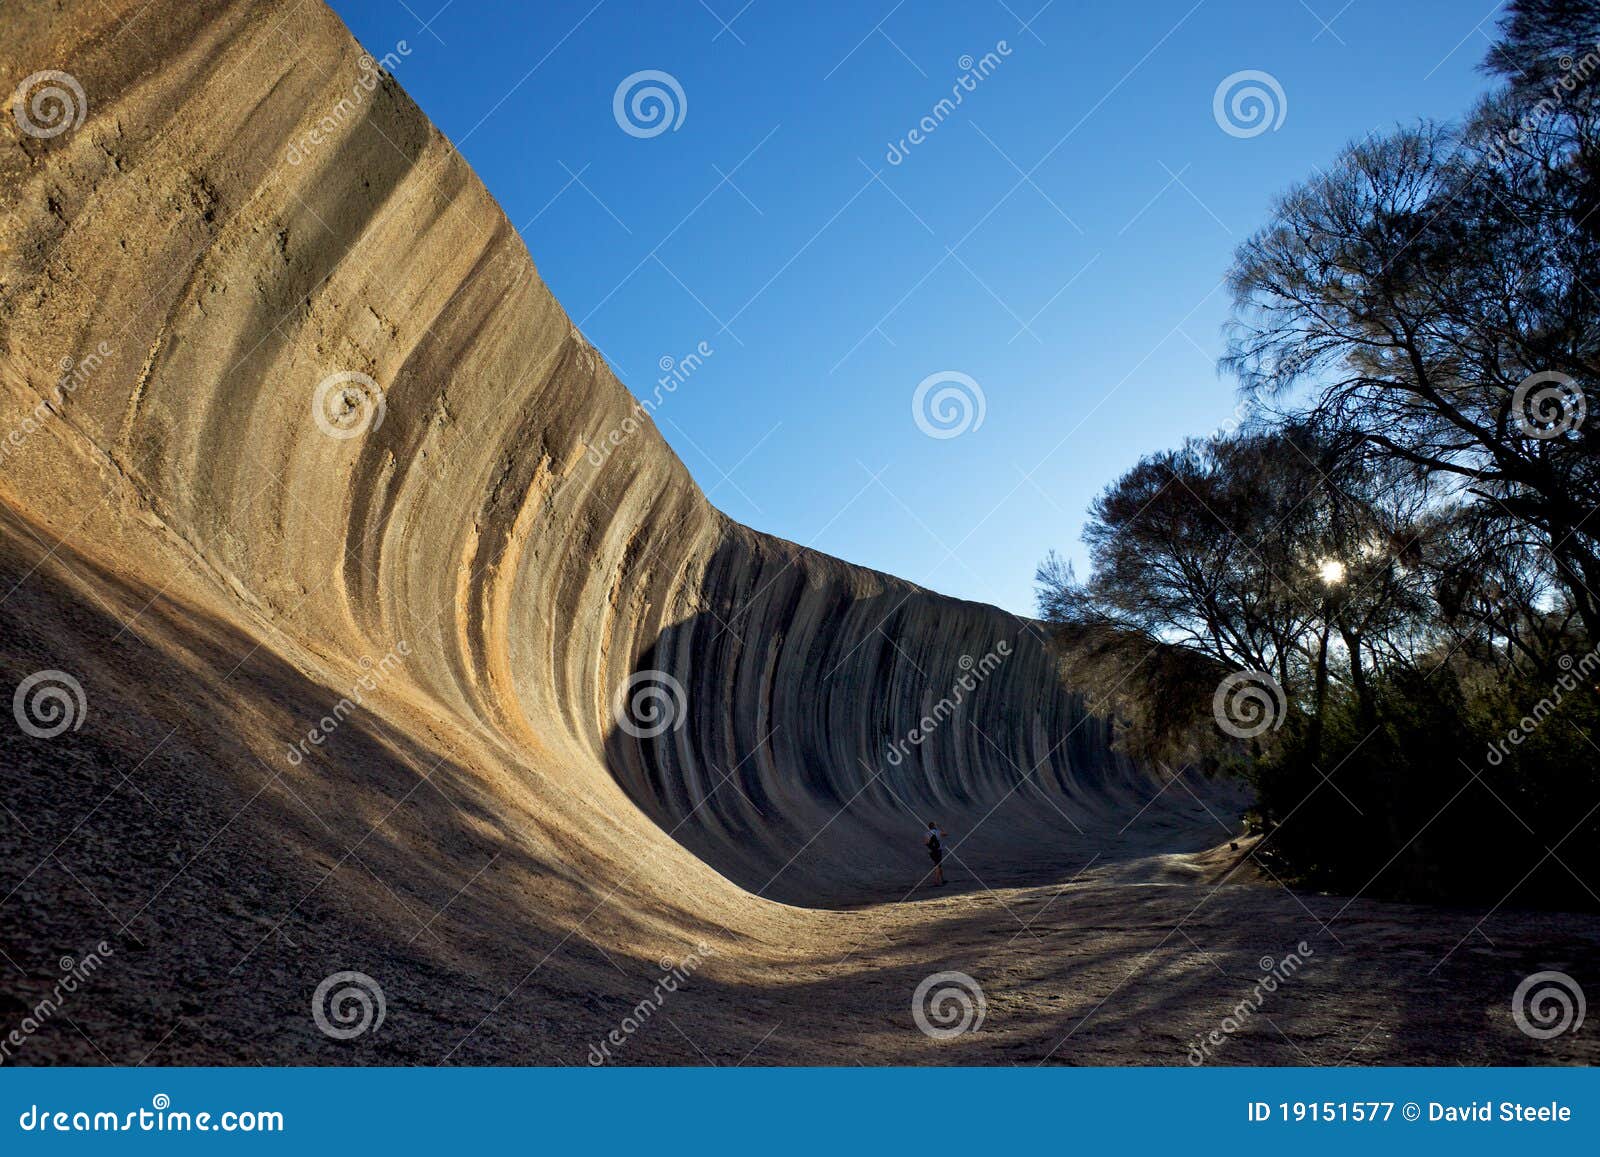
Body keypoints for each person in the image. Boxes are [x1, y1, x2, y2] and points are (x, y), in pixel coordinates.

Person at [923, 820, 947, 886]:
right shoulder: (938, 832)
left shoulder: (926, 834)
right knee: (937, 866)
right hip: (938, 851)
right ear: (935, 827)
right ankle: (936, 882)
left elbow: (925, 843)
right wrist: (940, 826)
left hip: (931, 851)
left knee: (939, 865)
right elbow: (945, 833)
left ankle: (942, 879)